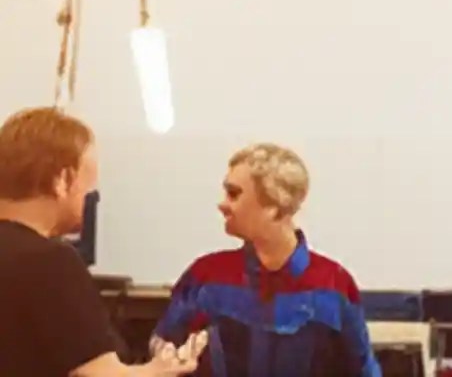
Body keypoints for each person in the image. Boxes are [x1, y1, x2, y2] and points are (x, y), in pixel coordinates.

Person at [0, 106, 206, 376]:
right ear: (63, 180)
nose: (90, 196)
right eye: (89, 185)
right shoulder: (49, 263)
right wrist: (160, 369)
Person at [152, 143, 381, 377]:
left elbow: (364, 372)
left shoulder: (334, 286)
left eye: (234, 194)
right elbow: (159, 352)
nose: (222, 205)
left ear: (274, 206)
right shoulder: (205, 276)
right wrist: (170, 357)